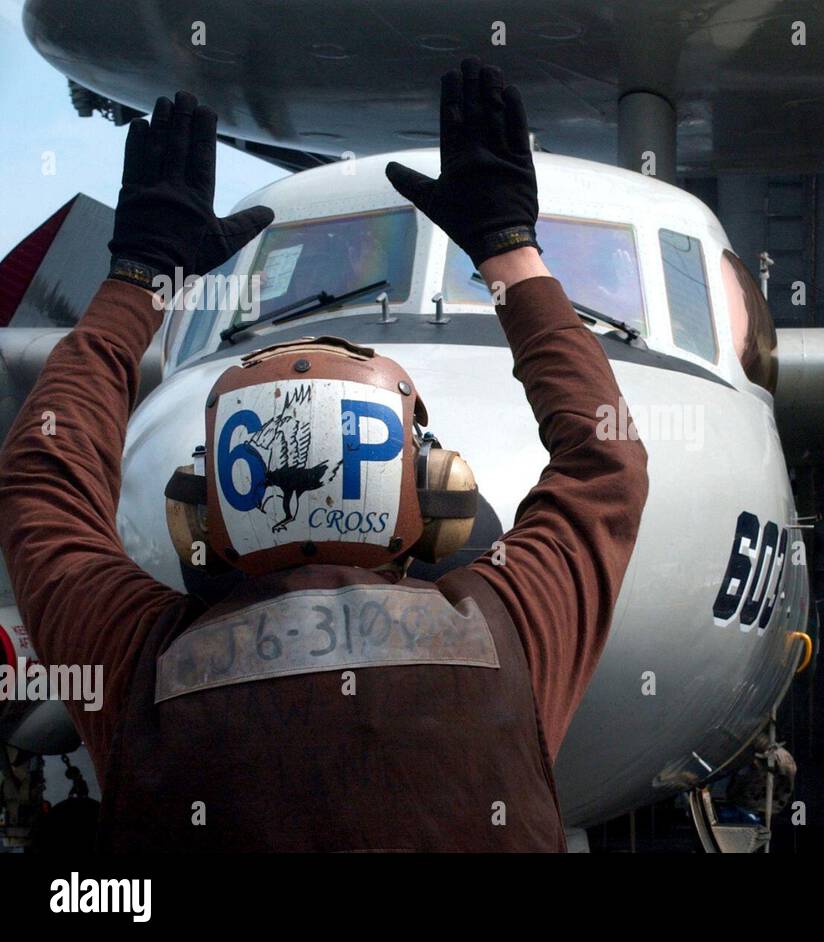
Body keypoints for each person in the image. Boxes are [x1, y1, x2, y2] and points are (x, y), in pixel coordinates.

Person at [0, 58, 649, 851]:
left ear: (201, 510)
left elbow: (43, 483)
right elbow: (606, 461)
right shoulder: (508, 633)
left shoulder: (140, 662)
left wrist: (138, 278)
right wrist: (511, 254)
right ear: (436, 497)